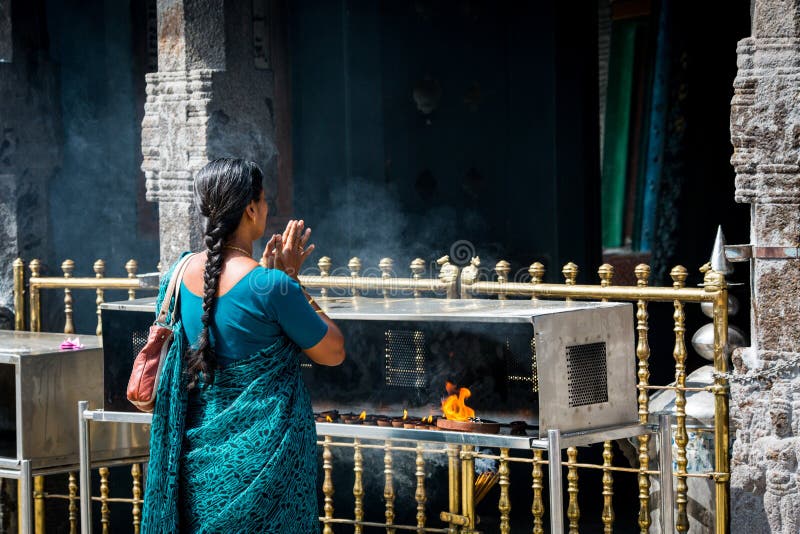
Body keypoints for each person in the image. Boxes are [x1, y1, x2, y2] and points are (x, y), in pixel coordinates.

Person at [141, 158, 345, 533]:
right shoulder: (272, 285)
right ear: (251, 208)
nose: (267, 208)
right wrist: (292, 279)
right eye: (264, 201)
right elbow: (333, 351)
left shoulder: (178, 273)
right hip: (267, 469)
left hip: (199, 472)